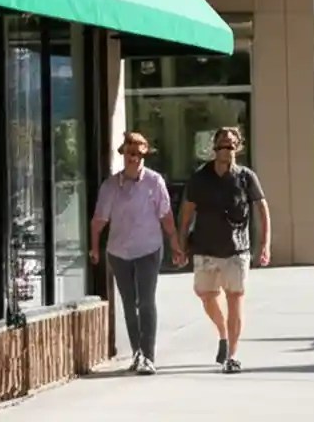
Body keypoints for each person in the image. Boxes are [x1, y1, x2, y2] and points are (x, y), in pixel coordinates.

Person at [177, 127, 270, 374]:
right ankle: (223, 333)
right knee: (206, 295)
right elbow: (187, 214)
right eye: (221, 145)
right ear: (214, 148)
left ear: (238, 148)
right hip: (205, 247)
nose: (225, 149)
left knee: (235, 298)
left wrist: (265, 244)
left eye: (230, 145)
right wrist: (180, 244)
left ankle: (232, 355)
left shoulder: (246, 177)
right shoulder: (200, 177)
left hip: (237, 249)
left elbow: (262, 209)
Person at [89, 132, 181, 375]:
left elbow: (166, 215)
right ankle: (136, 352)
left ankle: (148, 355)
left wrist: (175, 243)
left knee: (146, 301)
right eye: (131, 154)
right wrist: (95, 247)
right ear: (123, 154)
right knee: (129, 303)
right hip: (119, 252)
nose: (135, 159)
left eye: (140, 155)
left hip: (149, 249)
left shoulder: (154, 181)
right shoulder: (110, 186)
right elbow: (98, 221)